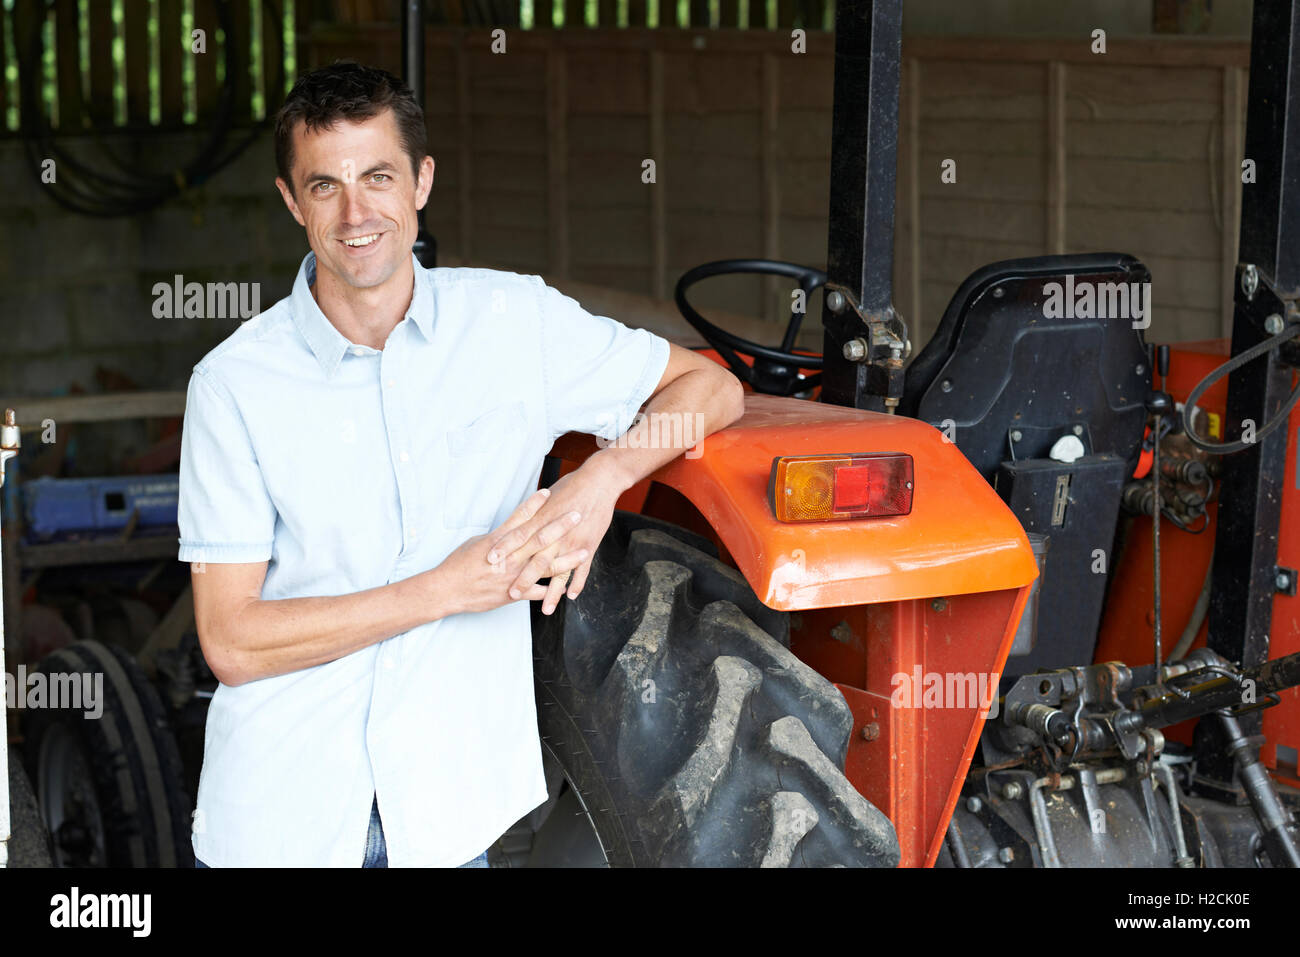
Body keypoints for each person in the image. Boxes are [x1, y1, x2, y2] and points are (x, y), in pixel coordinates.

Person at [177, 61, 745, 867]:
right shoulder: (234, 385)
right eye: (324, 186)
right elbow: (231, 641)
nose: (355, 212)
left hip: (443, 828)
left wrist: (601, 480)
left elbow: (710, 388)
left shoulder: (513, 323)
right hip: (280, 826)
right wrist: (443, 589)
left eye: (378, 176)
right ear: (290, 201)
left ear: (422, 182)